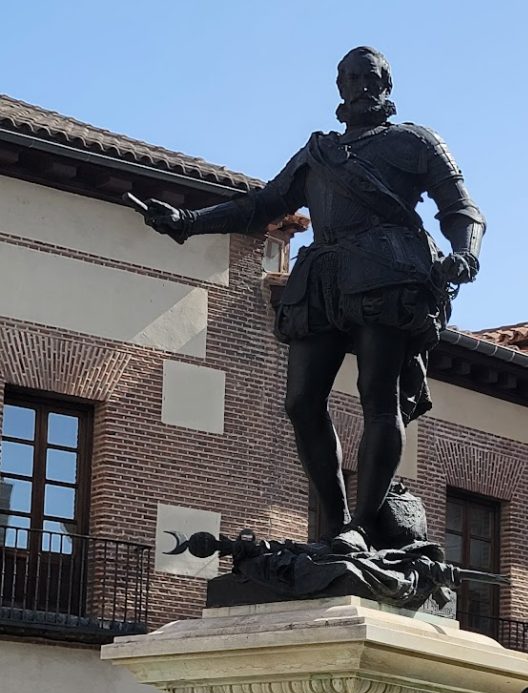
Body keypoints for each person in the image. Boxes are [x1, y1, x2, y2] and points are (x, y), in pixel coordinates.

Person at [135, 46, 485, 551]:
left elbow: (462, 208)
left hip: (386, 273)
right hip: (322, 278)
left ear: (387, 86)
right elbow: (262, 205)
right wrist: (189, 223)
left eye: (370, 77)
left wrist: (464, 255)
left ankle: (362, 527)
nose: (361, 85)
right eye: (351, 78)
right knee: (301, 403)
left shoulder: (415, 142)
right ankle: (338, 523)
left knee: (377, 399)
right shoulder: (316, 153)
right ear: (339, 88)